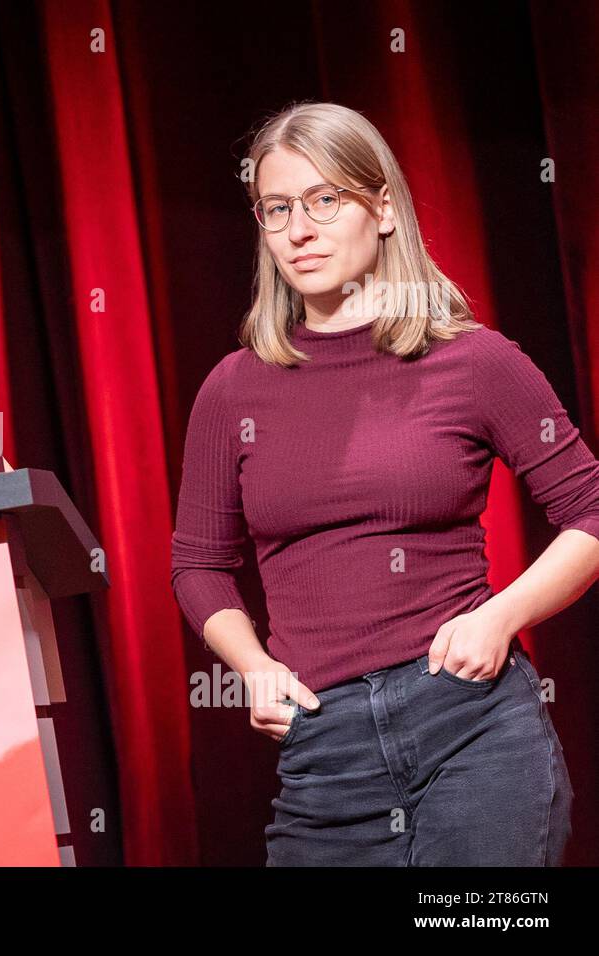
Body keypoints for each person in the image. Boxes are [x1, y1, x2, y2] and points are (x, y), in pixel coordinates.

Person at [170, 101, 599, 865]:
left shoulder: (474, 362)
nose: (299, 230)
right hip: (323, 749)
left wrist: (500, 618)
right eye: (277, 209)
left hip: (470, 727)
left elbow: (591, 513)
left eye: (325, 200)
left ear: (385, 209)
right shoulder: (234, 389)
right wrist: (254, 668)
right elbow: (198, 564)